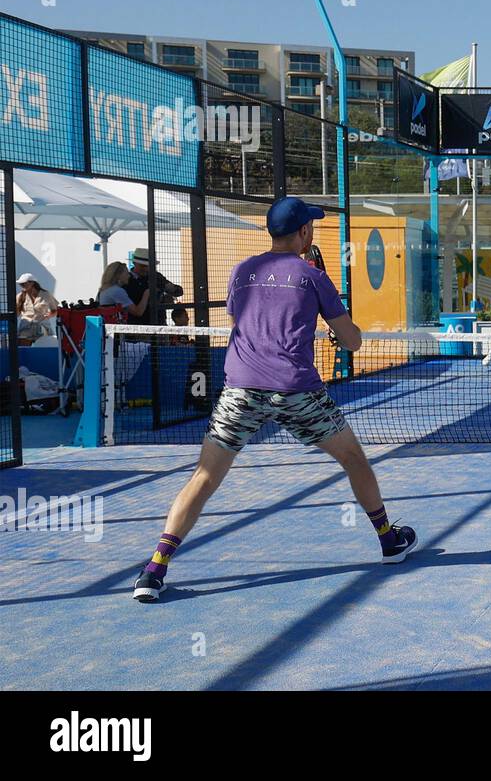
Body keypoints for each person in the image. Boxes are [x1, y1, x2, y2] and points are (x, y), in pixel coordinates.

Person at [132, 197, 417, 602]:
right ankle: (389, 541)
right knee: (354, 459)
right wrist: (327, 308)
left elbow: (245, 321)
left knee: (204, 476)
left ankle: (154, 568)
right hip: (295, 390)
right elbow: (352, 342)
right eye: (312, 226)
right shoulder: (314, 277)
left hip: (240, 389)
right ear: (303, 232)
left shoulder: (242, 271)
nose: (313, 231)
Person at [125, 247, 183, 325]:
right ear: (134, 263)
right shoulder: (126, 279)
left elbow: (178, 291)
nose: (146, 269)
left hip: (159, 322)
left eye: (149, 266)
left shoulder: (156, 276)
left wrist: (167, 292)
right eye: (142, 266)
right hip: (137, 324)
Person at [15, 274, 59, 343]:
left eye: (24, 283)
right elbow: (16, 313)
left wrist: (49, 315)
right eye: (20, 284)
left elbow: (55, 310)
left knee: (40, 333)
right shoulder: (20, 296)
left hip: (42, 327)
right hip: (25, 327)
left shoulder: (46, 294)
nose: (22, 285)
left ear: (32, 283)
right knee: (23, 343)